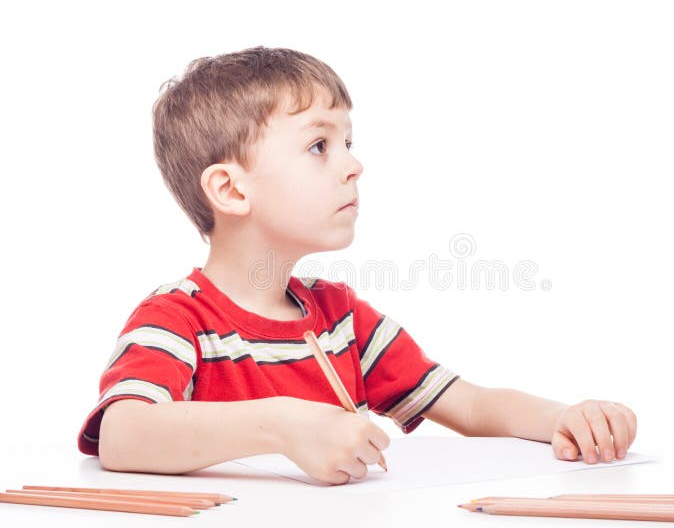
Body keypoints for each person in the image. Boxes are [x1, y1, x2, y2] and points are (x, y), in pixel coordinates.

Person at [77, 46, 637, 485]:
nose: (355, 165)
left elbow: (469, 404)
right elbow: (124, 434)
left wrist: (565, 417)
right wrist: (281, 424)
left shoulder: (340, 318)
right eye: (320, 146)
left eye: (349, 141)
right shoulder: (176, 319)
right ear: (229, 188)